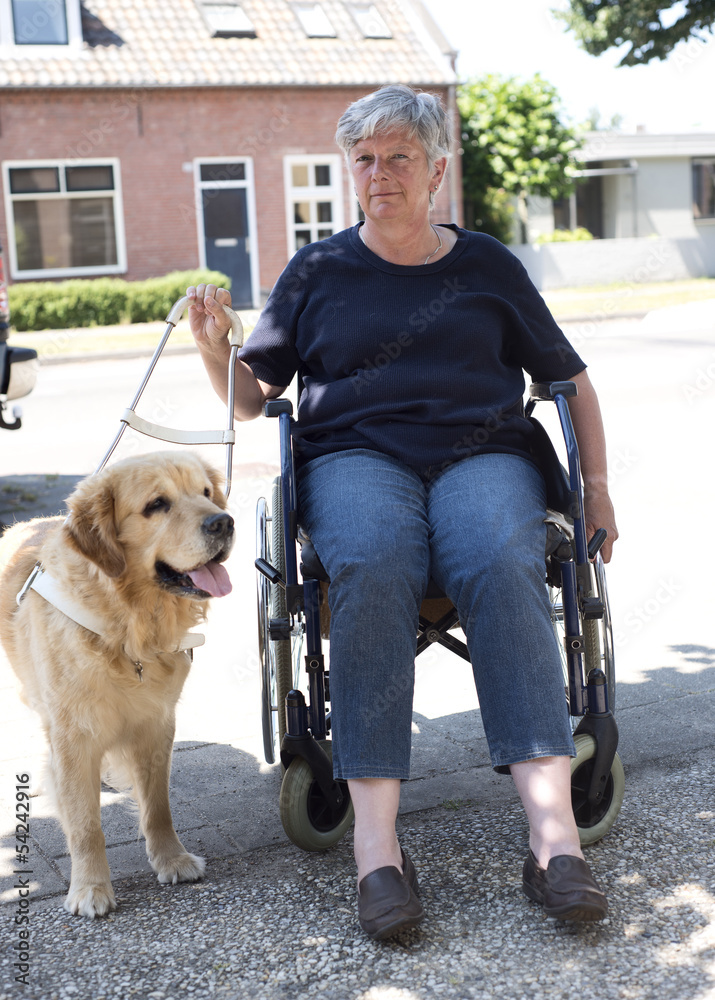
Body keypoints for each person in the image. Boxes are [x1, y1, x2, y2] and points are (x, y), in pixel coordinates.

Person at [187, 84, 619, 941]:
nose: (378, 174)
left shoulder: (488, 264)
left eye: (398, 158)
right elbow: (250, 399)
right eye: (364, 159)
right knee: (374, 560)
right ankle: (377, 851)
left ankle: (553, 838)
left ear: (435, 172)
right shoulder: (317, 272)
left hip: (483, 452)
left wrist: (596, 485)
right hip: (356, 457)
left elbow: (566, 379)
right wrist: (214, 350)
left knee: (500, 556)